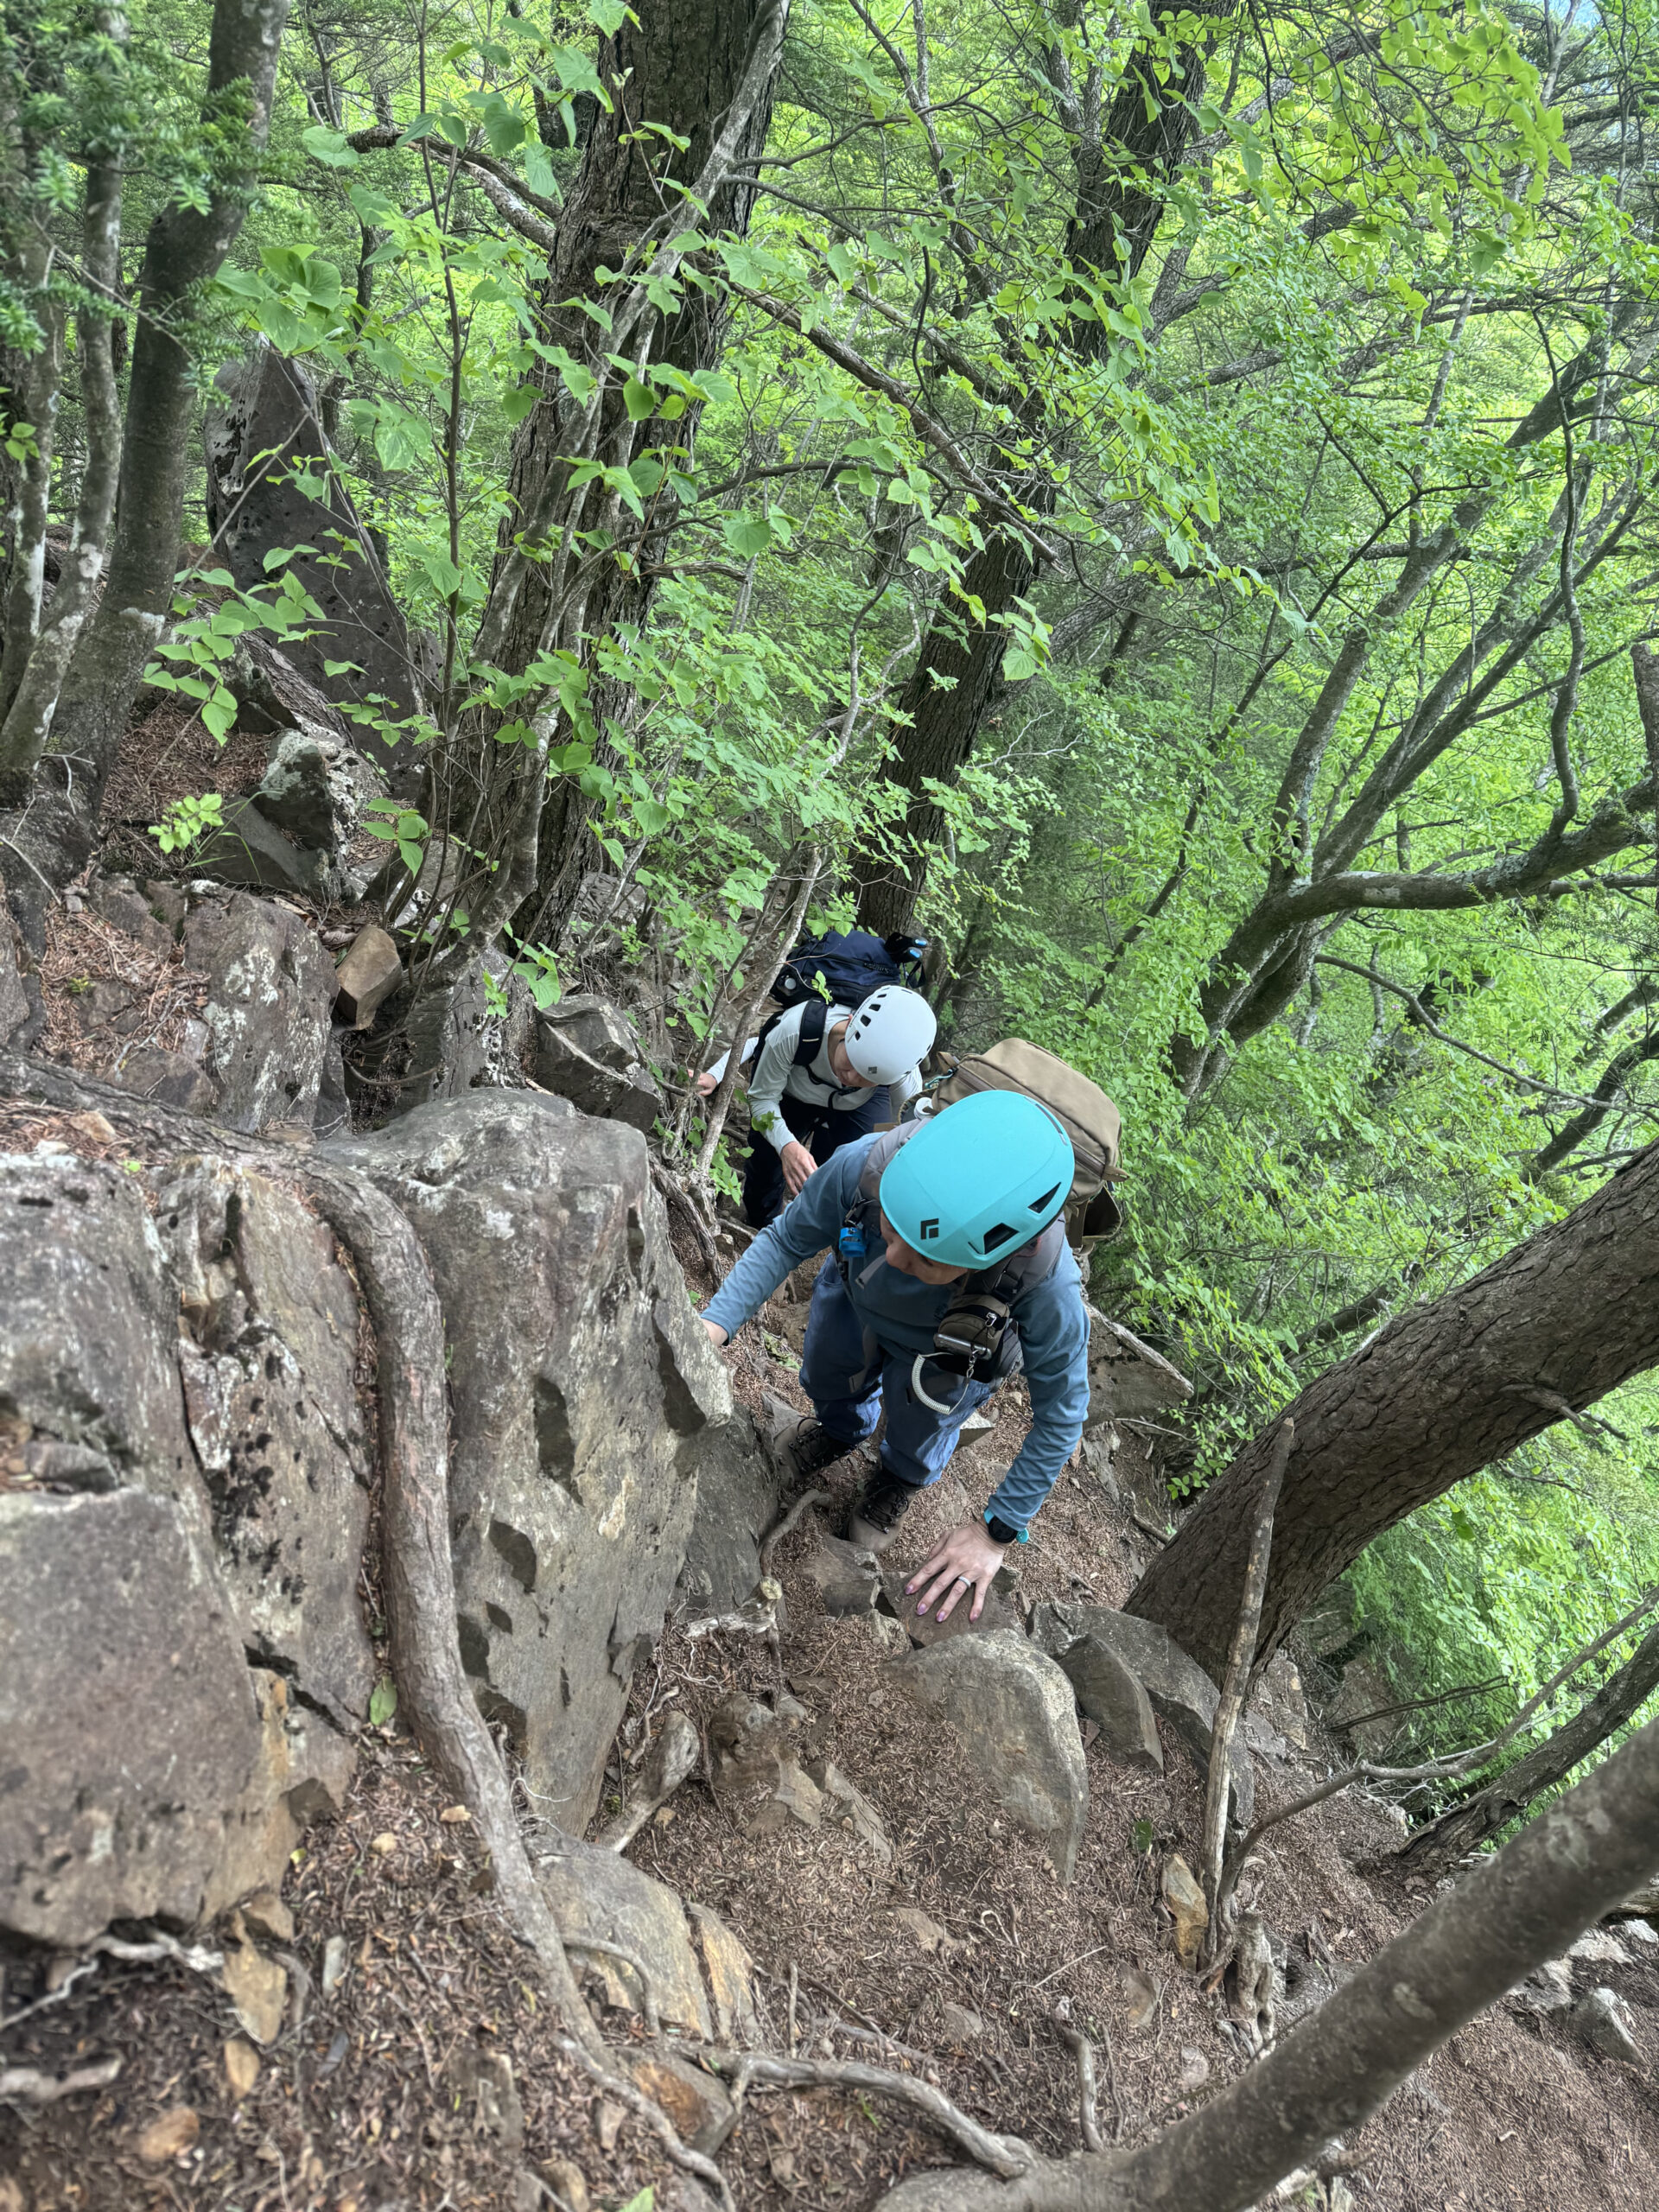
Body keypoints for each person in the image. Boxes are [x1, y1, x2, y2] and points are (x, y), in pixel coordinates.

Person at [699, 1088, 1090, 1626]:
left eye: (931, 1257)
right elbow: (788, 1240)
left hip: (948, 1356)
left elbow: (1061, 1415)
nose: (900, 1258)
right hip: (855, 1299)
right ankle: (838, 1430)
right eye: (893, 1224)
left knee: (919, 1430)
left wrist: (995, 1532)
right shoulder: (864, 1165)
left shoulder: (1046, 1285)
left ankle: (897, 1480)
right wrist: (714, 1323)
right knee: (826, 1371)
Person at [698, 985, 938, 1226]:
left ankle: (813, 1220)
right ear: (850, 1022)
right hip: (793, 1095)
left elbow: (910, 1133)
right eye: (852, 1060)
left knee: (849, 1165)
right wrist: (787, 1146)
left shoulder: (902, 1071)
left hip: (856, 1107)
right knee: (765, 1166)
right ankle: (762, 1223)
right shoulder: (796, 1030)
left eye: (867, 1076)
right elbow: (762, 1099)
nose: (851, 1077)